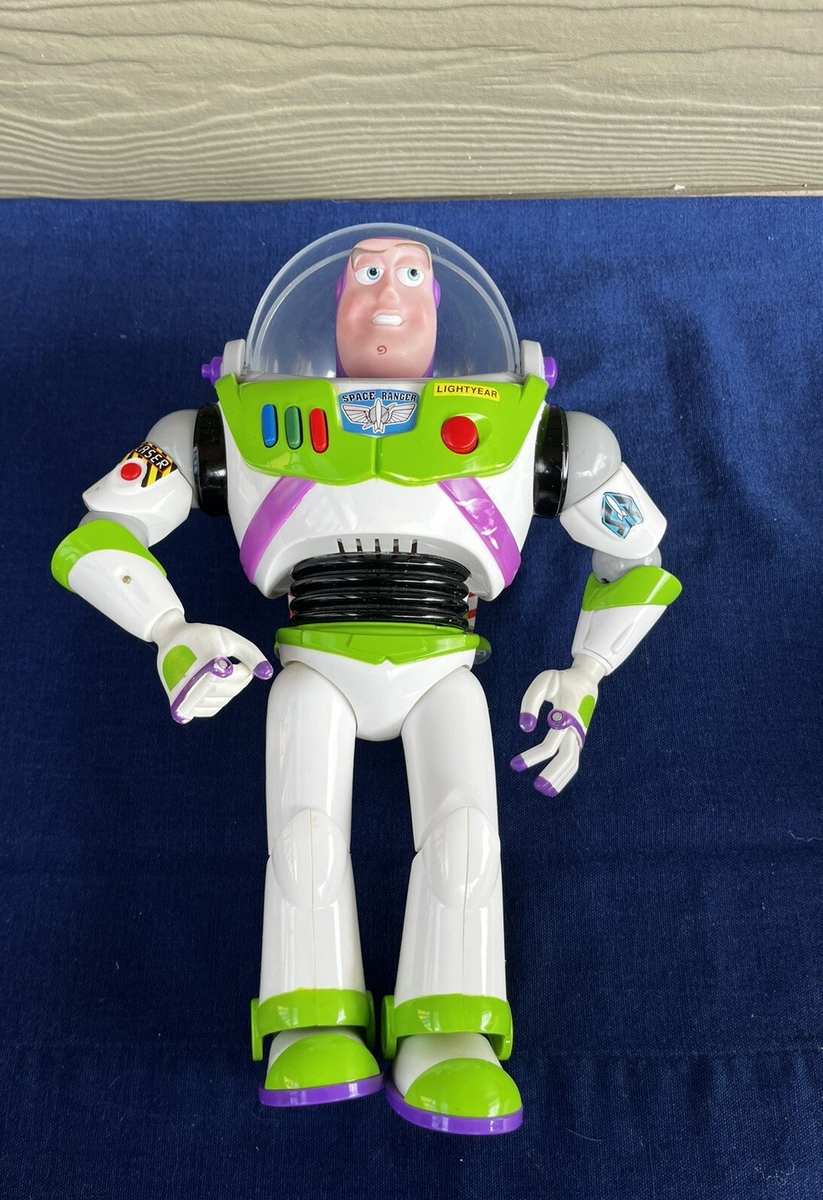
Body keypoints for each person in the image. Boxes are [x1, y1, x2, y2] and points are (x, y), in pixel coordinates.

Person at [52, 226, 680, 1134]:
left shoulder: (550, 438)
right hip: (311, 664)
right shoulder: (219, 429)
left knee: (467, 840)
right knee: (304, 839)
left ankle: (450, 1029)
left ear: (438, 305)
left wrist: (587, 674)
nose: (388, 296)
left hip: (445, 668)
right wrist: (168, 631)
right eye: (370, 274)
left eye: (411, 276)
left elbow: (637, 552)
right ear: (338, 301)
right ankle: (309, 1017)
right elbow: (101, 534)